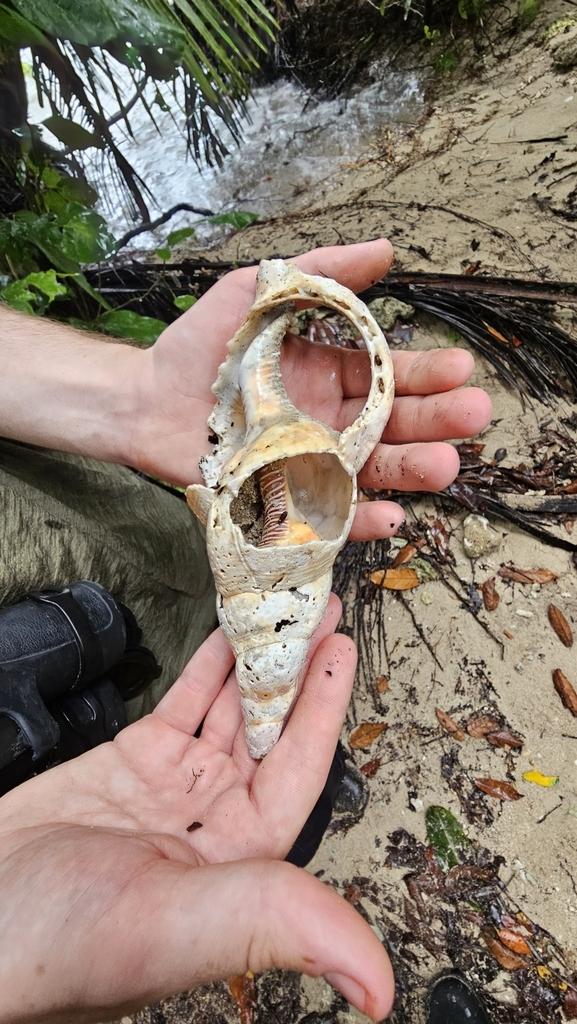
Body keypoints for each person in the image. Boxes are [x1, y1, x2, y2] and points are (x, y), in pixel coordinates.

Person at [0, 240, 492, 1023]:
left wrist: (129, 394)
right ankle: (299, 808)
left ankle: (313, 790)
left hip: (183, 614)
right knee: (237, 766)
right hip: (112, 754)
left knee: (256, 723)